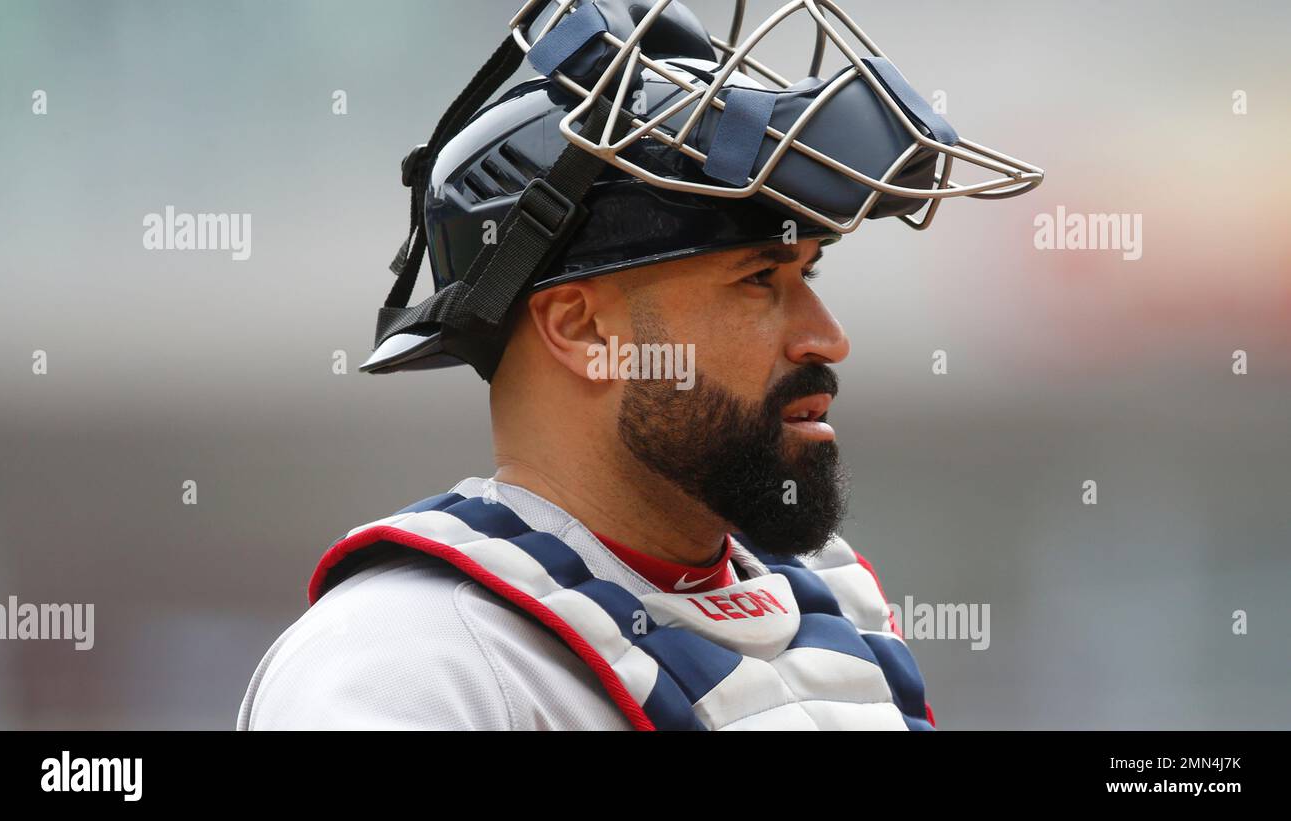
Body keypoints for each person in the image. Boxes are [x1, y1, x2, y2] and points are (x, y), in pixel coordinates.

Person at [238, 0, 1042, 730]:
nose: (827, 340)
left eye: (809, 274)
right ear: (583, 330)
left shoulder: (837, 613)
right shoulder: (406, 664)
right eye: (759, 279)